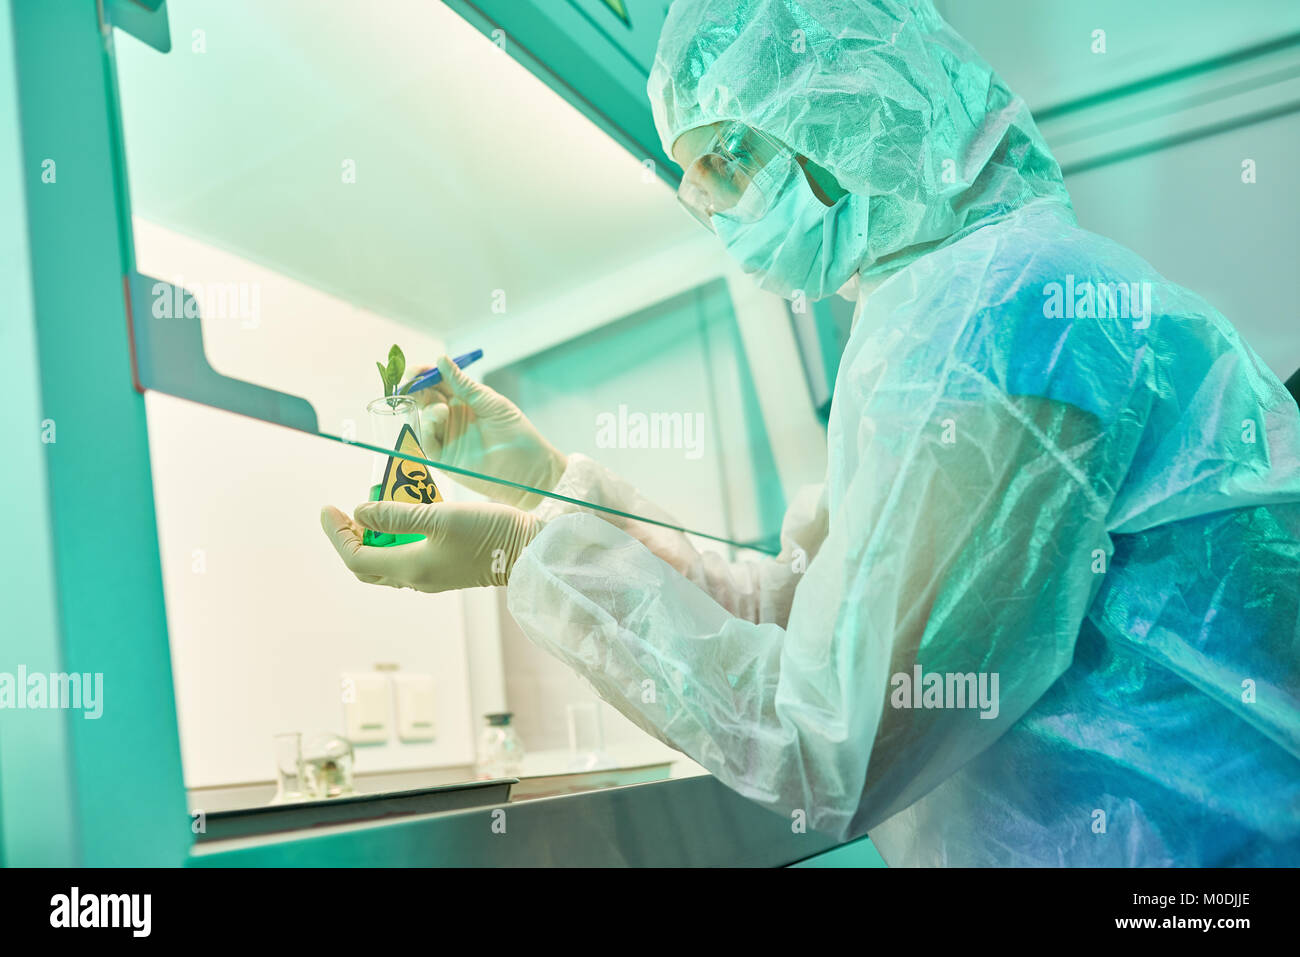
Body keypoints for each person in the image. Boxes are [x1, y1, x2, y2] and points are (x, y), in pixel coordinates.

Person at [322, 0, 1300, 866]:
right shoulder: (947, 318)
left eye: (724, 161)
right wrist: (539, 489)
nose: (707, 205)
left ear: (855, 115)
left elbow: (832, 740)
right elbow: (797, 613)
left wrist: (516, 561)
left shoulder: (1005, 325)